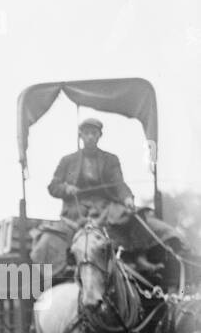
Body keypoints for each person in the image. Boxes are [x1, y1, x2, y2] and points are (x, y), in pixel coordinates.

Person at [31, 116, 187, 289]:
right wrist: (66, 188)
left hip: (105, 206)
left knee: (136, 216)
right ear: (80, 136)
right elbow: (53, 187)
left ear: (99, 136)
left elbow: (119, 184)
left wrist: (127, 198)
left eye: (94, 133)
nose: (90, 136)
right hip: (76, 209)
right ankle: (65, 270)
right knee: (50, 239)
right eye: (87, 133)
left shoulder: (111, 159)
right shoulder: (68, 161)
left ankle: (139, 257)